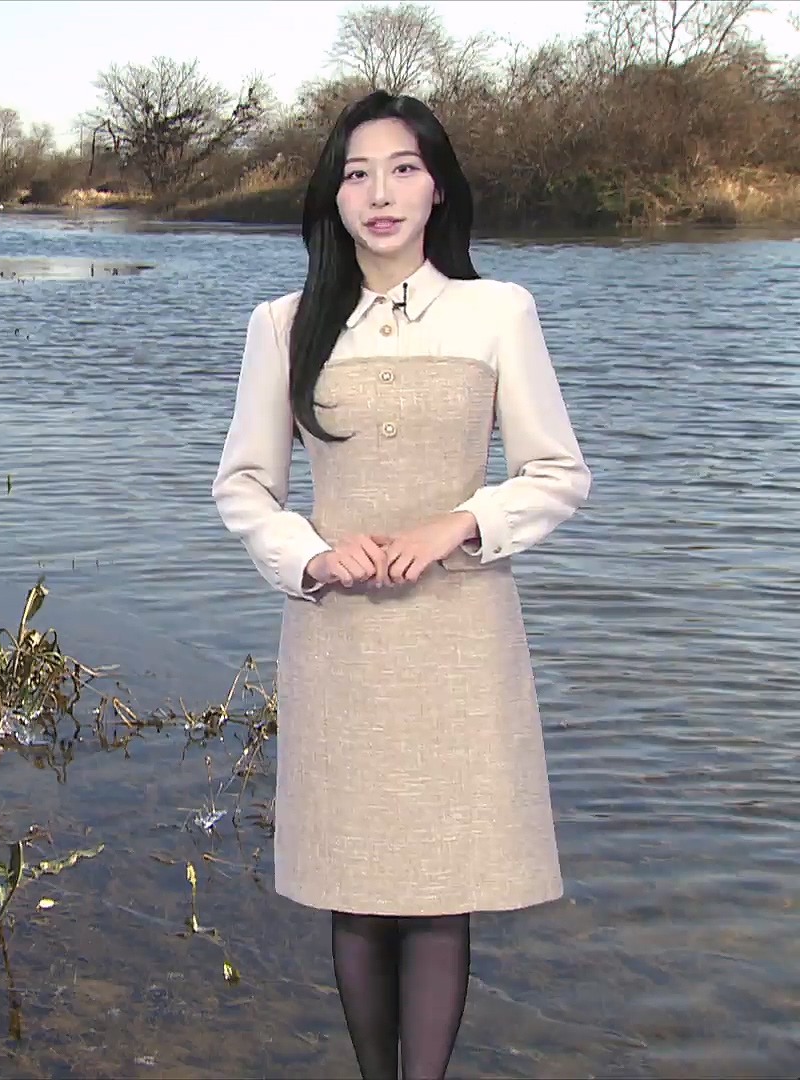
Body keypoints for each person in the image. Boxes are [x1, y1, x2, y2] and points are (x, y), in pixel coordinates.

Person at [210, 90, 592, 1080]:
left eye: (404, 169)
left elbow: (558, 475)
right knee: (358, 880)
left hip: (458, 628)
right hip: (341, 633)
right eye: (356, 173)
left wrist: (460, 523)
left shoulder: (496, 311)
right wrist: (309, 555)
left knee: (438, 881)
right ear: (332, 198)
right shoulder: (283, 324)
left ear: (437, 189)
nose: (380, 192)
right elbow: (245, 485)